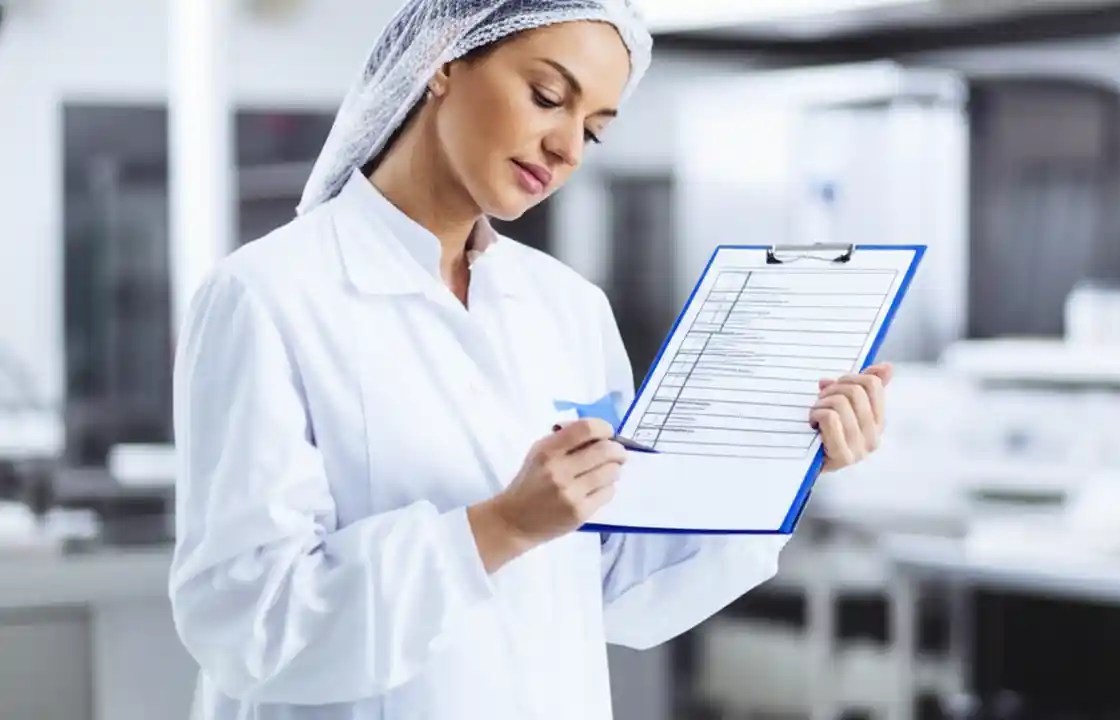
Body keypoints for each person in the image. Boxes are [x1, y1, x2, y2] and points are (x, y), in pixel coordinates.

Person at [168, 1, 893, 718]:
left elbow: (616, 587)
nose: (567, 148)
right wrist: (501, 526)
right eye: (548, 97)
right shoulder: (267, 296)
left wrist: (787, 462)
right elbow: (246, 623)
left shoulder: (567, 307)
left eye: (593, 131)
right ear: (445, 59)